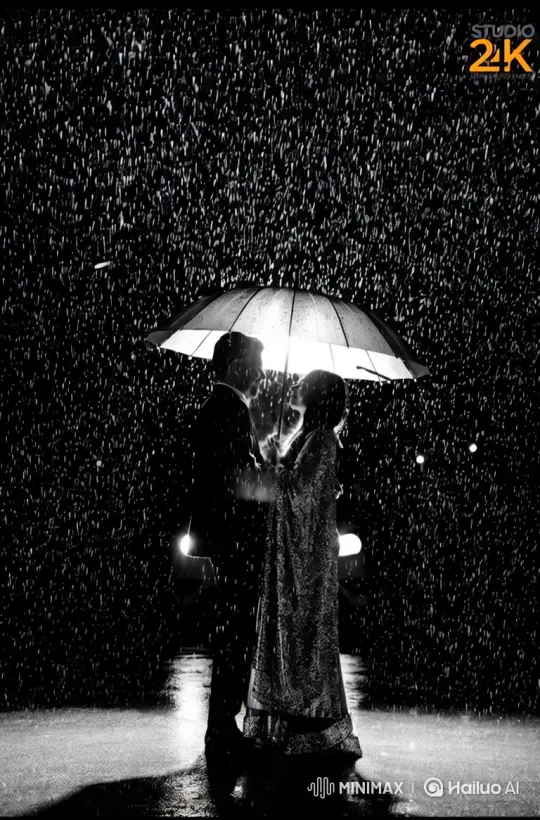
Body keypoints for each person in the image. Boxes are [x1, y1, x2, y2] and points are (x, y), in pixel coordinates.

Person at [243, 370, 363, 758]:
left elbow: (300, 496)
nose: (292, 387)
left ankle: (308, 727)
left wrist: (276, 464)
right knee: (292, 637)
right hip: (298, 558)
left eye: (301, 384)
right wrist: (277, 460)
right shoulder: (311, 438)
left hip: (307, 563)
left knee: (305, 639)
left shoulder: (324, 440)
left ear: (316, 395)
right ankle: (290, 722)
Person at [188, 331, 268, 760]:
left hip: (225, 535)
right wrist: (266, 470)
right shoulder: (231, 409)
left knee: (233, 628)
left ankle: (223, 722)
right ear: (238, 364)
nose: (261, 372)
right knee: (237, 631)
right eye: (257, 363)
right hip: (236, 536)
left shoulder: (221, 407)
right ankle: (222, 725)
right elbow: (236, 481)